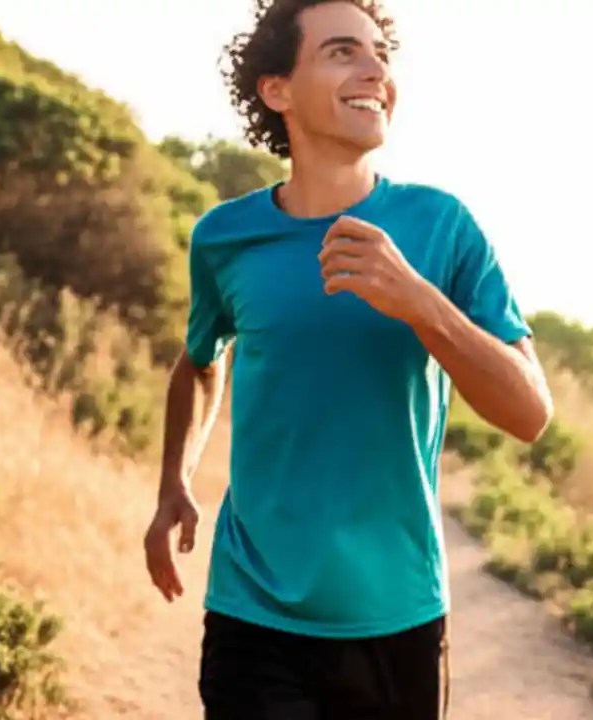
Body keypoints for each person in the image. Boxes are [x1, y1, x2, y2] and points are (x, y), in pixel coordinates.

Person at [142, 1, 554, 717]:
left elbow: (528, 412)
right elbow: (203, 360)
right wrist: (174, 479)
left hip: (397, 616)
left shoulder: (442, 226)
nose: (375, 71)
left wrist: (419, 301)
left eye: (379, 54)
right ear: (277, 90)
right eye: (342, 52)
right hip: (253, 608)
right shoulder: (225, 238)